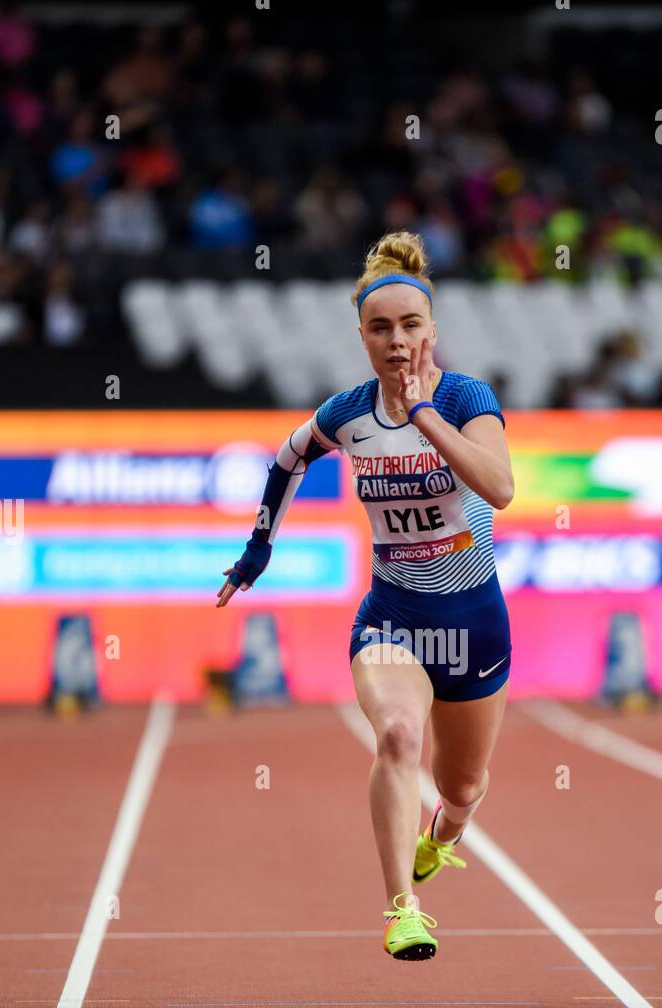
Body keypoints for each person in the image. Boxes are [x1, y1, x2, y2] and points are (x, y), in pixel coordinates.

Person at [216, 230, 514, 956]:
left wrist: (423, 416)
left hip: (473, 620)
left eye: (410, 325)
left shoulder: (467, 398)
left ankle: (443, 835)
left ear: (432, 331)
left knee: (464, 787)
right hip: (395, 618)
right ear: (361, 337)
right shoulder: (346, 415)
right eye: (380, 328)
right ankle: (401, 910)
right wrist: (259, 547)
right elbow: (286, 462)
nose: (397, 340)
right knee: (398, 736)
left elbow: (500, 489)